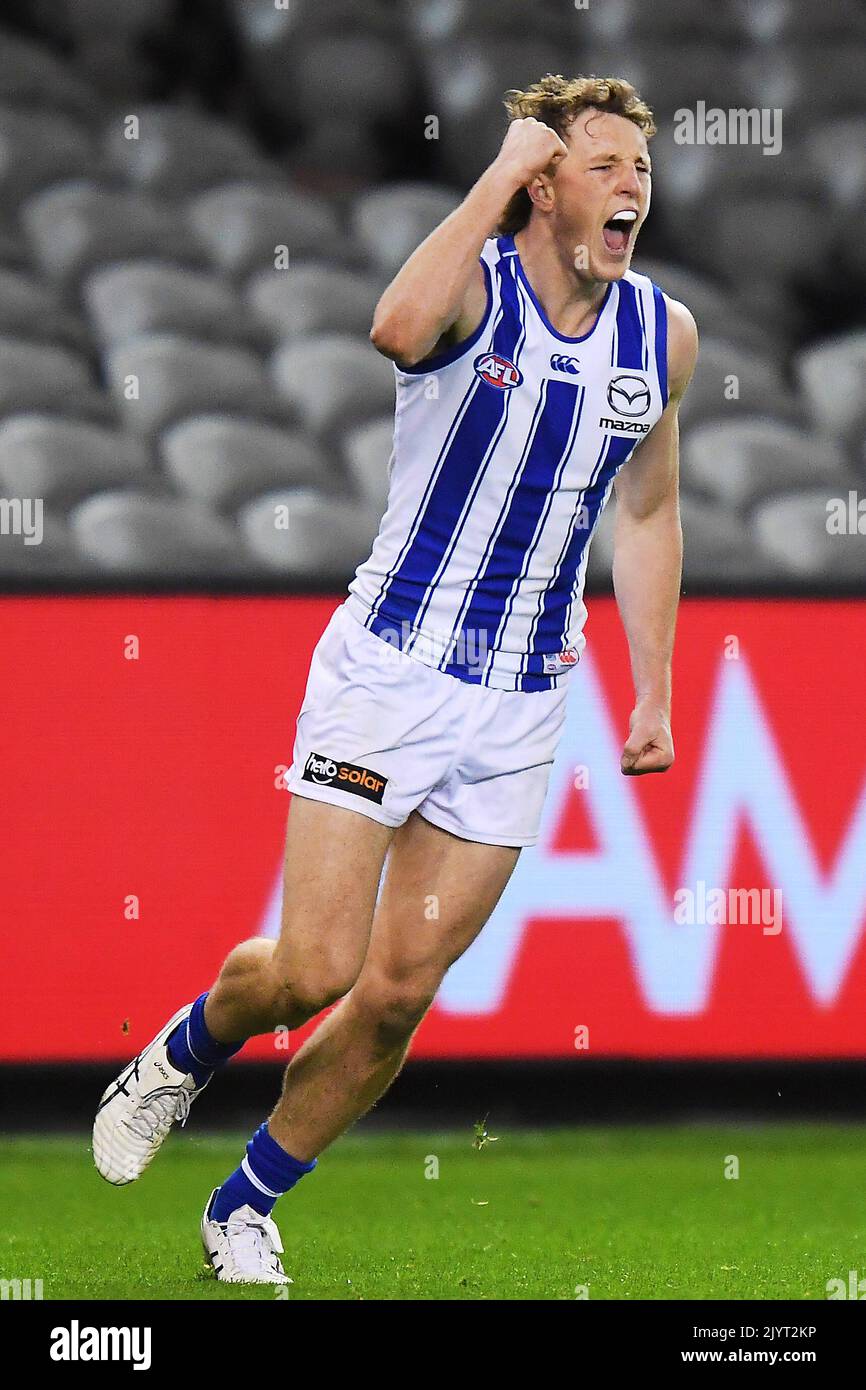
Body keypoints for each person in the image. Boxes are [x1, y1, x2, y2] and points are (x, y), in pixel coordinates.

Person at [93, 74, 698, 1285]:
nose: (631, 184)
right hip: (390, 666)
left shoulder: (661, 334)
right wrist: (493, 178)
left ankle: (246, 1204)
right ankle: (188, 1045)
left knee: (396, 992)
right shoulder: (474, 286)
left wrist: (652, 690)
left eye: (641, 166)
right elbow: (387, 326)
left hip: (523, 696)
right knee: (310, 967)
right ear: (540, 181)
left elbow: (647, 509)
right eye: (601, 163)